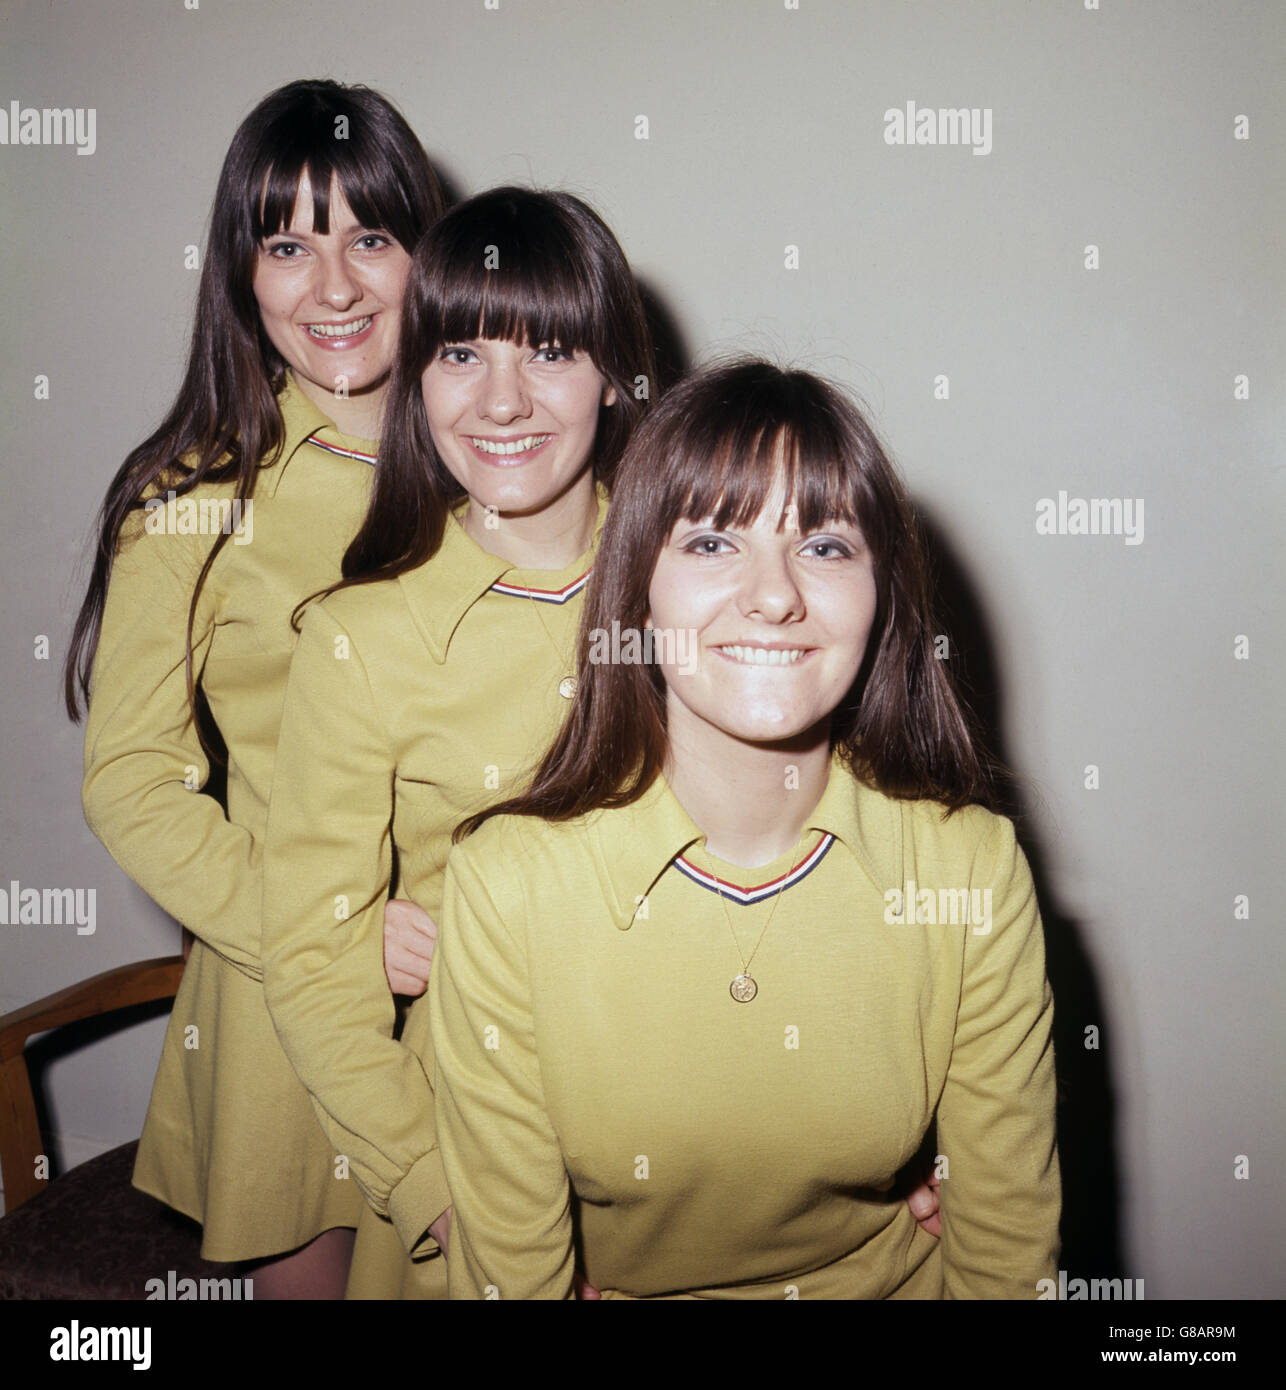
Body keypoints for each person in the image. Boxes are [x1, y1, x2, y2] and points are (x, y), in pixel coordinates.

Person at [431, 359, 1060, 1299]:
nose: (774, 596)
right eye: (712, 541)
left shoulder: (971, 869)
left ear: (882, 595)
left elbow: (1006, 1252)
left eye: (826, 546)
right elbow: (511, 1272)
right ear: (637, 590)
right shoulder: (504, 884)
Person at [65, 79, 443, 1297]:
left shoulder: (510, 459)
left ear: (426, 256)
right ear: (241, 273)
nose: (332, 287)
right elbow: (132, 782)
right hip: (293, 989)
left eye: (368, 239)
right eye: (286, 245)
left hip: (493, 987)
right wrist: (329, 929)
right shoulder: (198, 494)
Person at [259, 186, 654, 1299]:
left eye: (551, 352)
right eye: (461, 354)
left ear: (613, 375)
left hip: (708, 1137)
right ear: (416, 379)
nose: (502, 400)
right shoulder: (358, 637)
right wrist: (444, 1197)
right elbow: (315, 966)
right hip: (478, 1151)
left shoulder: (701, 583)